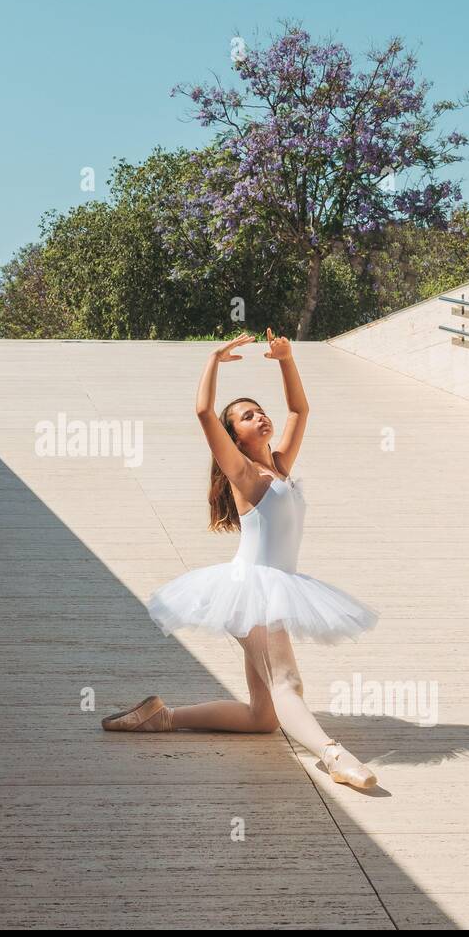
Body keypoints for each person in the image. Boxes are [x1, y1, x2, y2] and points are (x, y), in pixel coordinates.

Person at [102, 330, 381, 790]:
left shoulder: (281, 465)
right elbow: (202, 412)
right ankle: (333, 756)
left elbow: (299, 409)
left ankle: (161, 717)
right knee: (287, 683)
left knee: (262, 717)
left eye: (260, 410)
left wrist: (286, 359)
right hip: (249, 588)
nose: (261, 416)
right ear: (235, 436)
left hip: (274, 587)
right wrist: (212, 357)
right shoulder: (244, 473)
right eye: (248, 416)